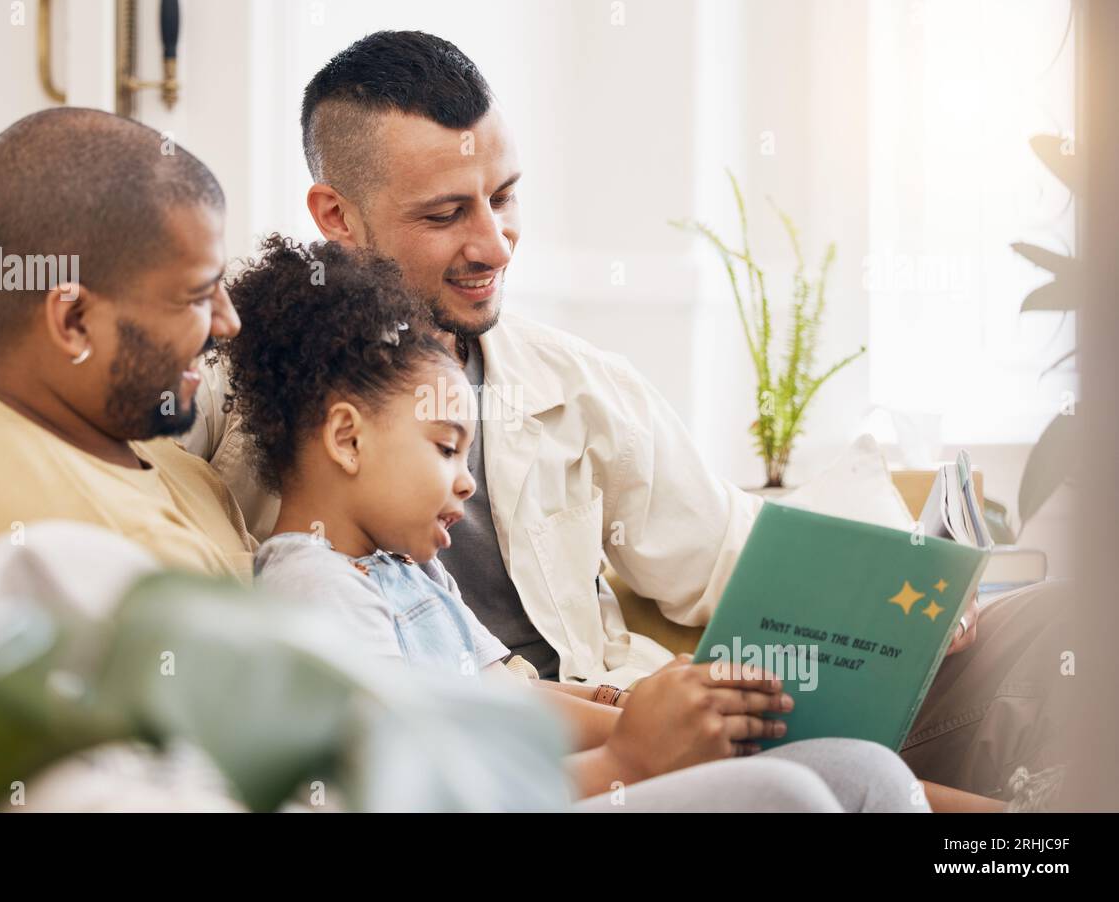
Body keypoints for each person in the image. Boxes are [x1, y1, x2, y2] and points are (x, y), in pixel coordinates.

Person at [0, 32, 1070, 800]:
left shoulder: (572, 378)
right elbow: (38, 411)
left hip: (636, 702)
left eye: (505, 197)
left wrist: (911, 596)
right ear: (335, 217)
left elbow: (730, 550)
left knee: (1051, 622)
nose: (494, 245)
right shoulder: (240, 371)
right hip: (531, 758)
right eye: (445, 216)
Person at [232, 234, 929, 812]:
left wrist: (648, 710)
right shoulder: (315, 590)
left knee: (867, 774)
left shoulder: (412, 574)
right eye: (446, 447)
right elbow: (398, 792)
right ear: (348, 440)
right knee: (787, 797)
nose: (467, 478)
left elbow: (516, 697)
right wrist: (628, 759)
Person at [0, 107, 252, 578]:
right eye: (197, 296)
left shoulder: (95, 428)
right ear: (73, 321)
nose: (227, 321)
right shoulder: (129, 562)